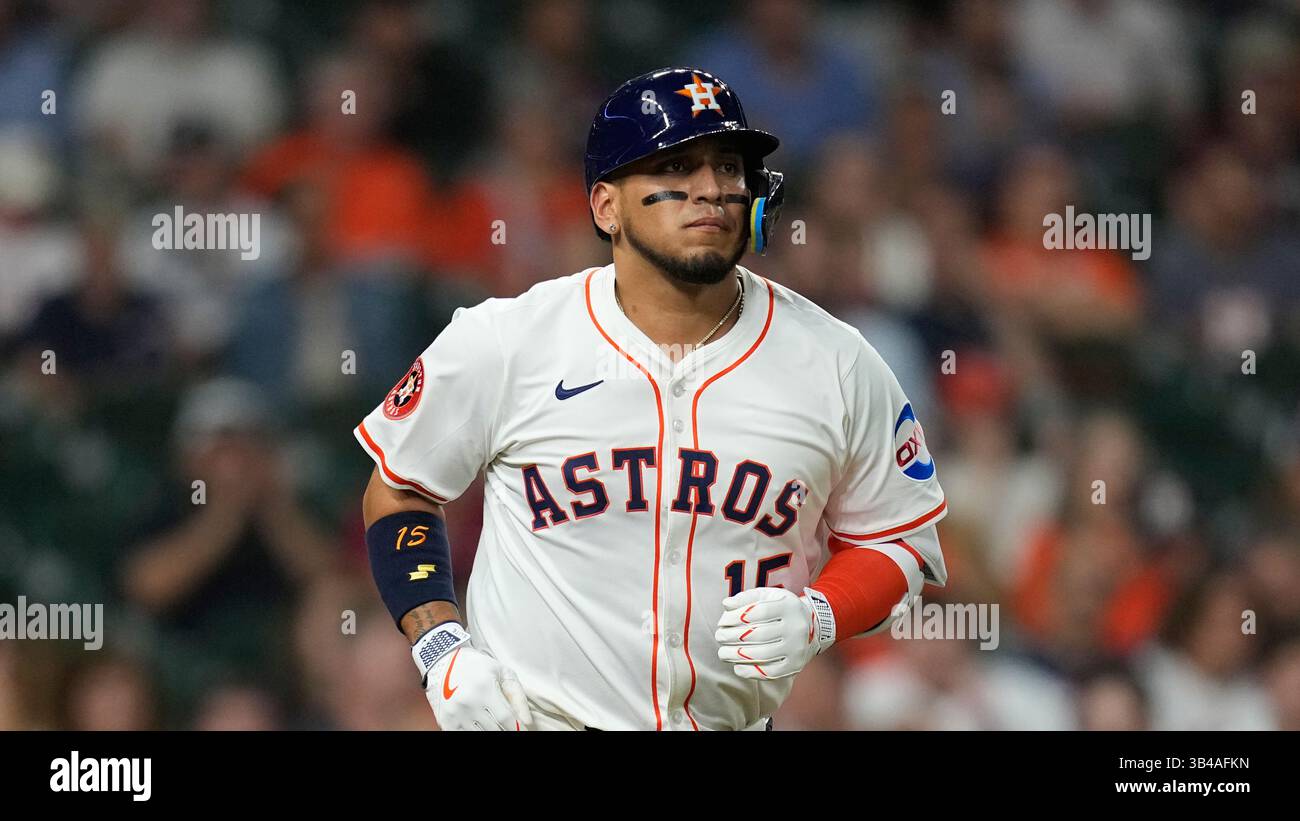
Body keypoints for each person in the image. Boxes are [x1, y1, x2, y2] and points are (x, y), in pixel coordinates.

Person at [354, 67, 949, 730]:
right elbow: (400, 489)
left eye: (729, 167)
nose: (711, 189)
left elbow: (899, 540)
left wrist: (822, 613)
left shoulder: (838, 362)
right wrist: (440, 647)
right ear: (606, 206)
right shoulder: (508, 339)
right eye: (677, 166)